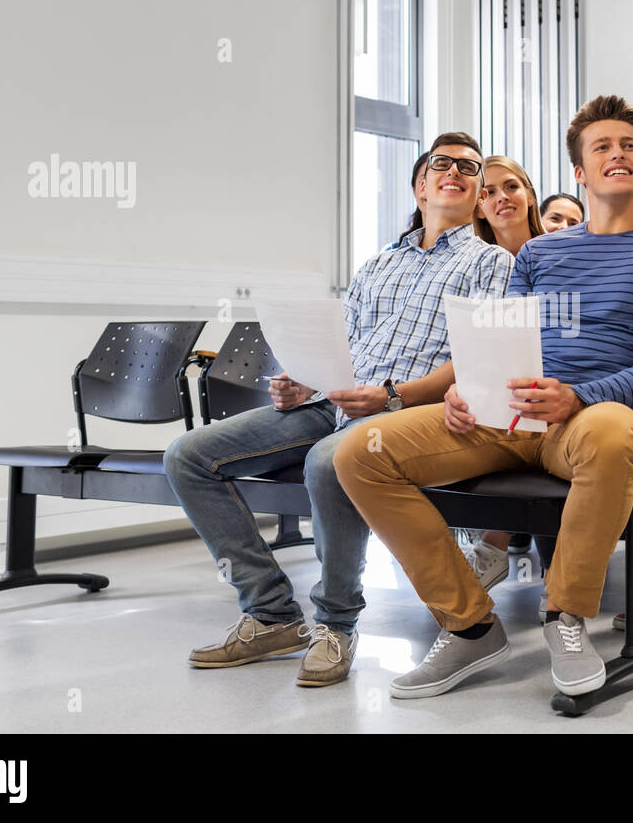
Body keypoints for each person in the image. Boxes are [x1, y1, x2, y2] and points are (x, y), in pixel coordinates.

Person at [332, 95, 633, 698]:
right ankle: (470, 625)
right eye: (602, 147)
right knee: (359, 451)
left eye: (630, 145)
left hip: (591, 416)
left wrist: (577, 397)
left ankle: (566, 616)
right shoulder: (538, 253)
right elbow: (498, 340)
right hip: (505, 412)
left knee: (613, 431)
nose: (619, 155)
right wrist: (462, 389)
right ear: (580, 173)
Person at [165, 132, 513, 688]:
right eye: (442, 164)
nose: (457, 172)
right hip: (336, 401)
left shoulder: (491, 262)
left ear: (476, 195)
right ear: (420, 184)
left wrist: (393, 395)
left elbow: (473, 364)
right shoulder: (378, 264)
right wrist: (303, 384)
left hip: (401, 411)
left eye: (470, 169)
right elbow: (344, 345)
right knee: (188, 454)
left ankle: (335, 624)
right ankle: (272, 613)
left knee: (329, 461)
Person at [464, 155, 546, 580]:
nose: (501, 198)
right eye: (489, 192)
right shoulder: (475, 266)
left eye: (511, 187)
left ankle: (491, 550)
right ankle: (480, 551)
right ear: (478, 207)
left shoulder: (559, 255)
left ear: (529, 196)